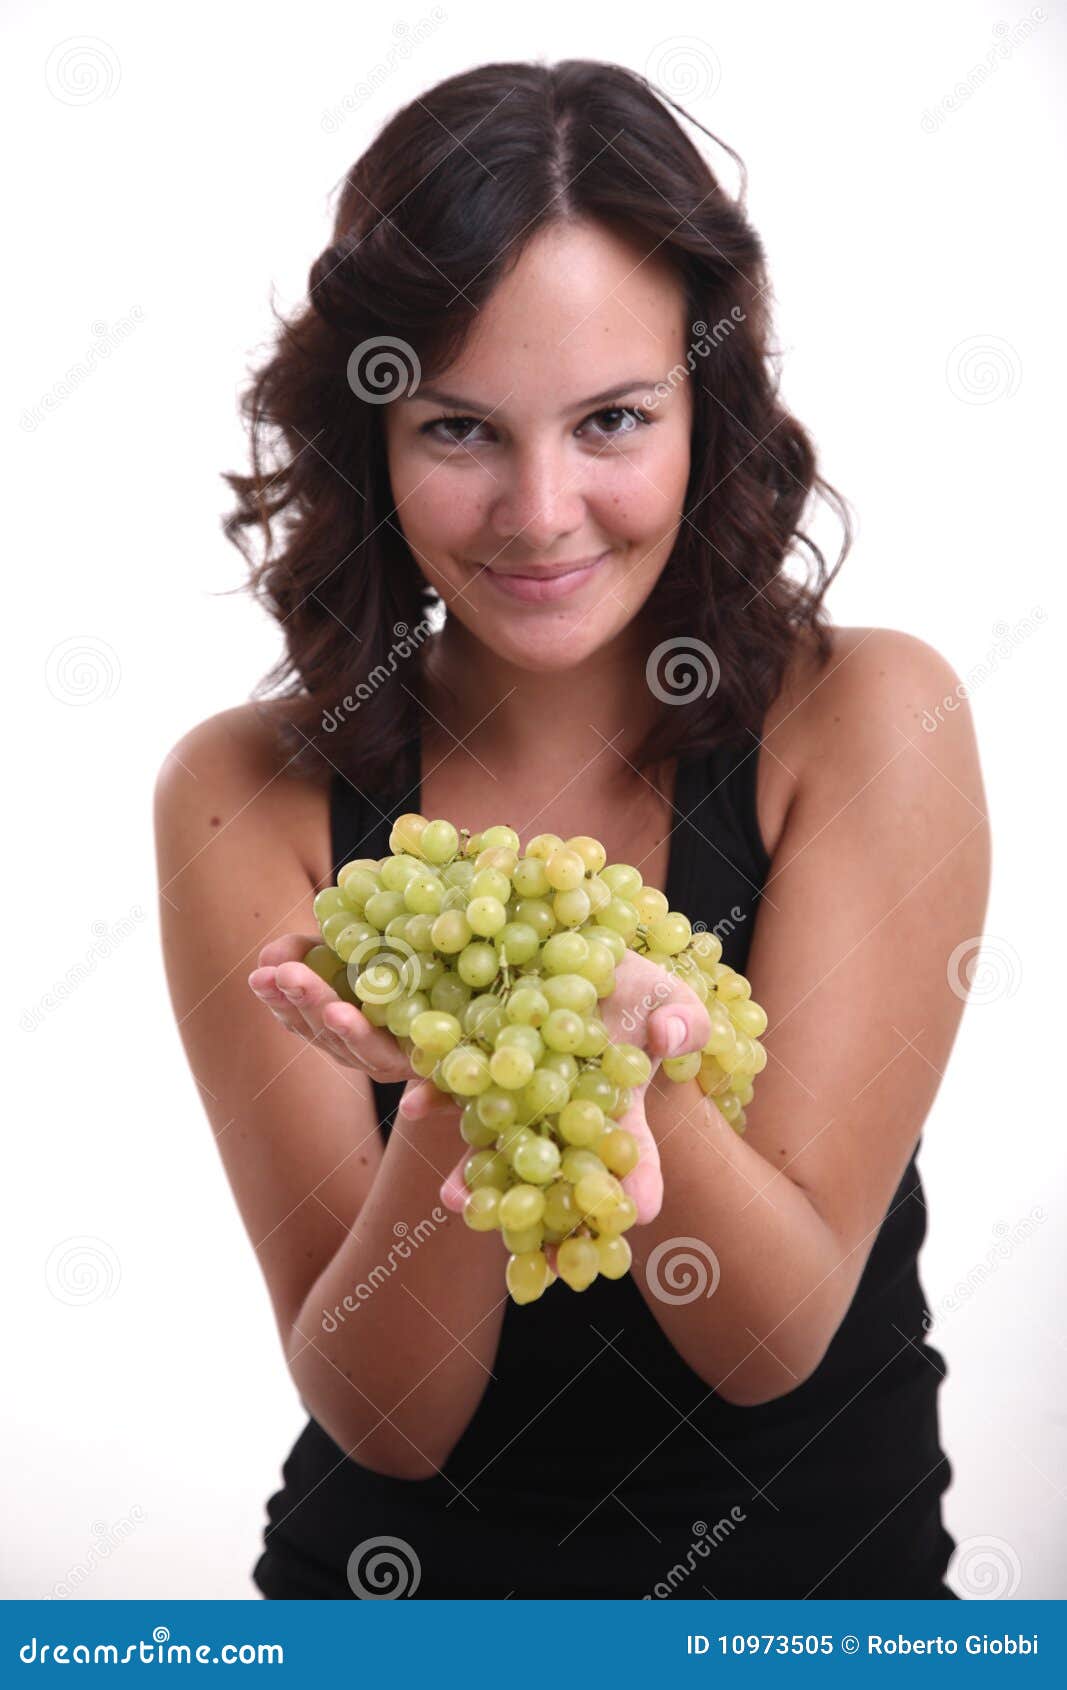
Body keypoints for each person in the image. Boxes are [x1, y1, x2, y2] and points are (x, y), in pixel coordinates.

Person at [154, 59, 990, 1599]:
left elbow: (773, 1335)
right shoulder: (244, 790)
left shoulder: (872, 717)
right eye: (460, 429)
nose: (540, 511)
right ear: (370, 432)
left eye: (612, 419)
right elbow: (385, 1423)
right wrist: (452, 1095)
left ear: (707, 407)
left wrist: (615, 1050)